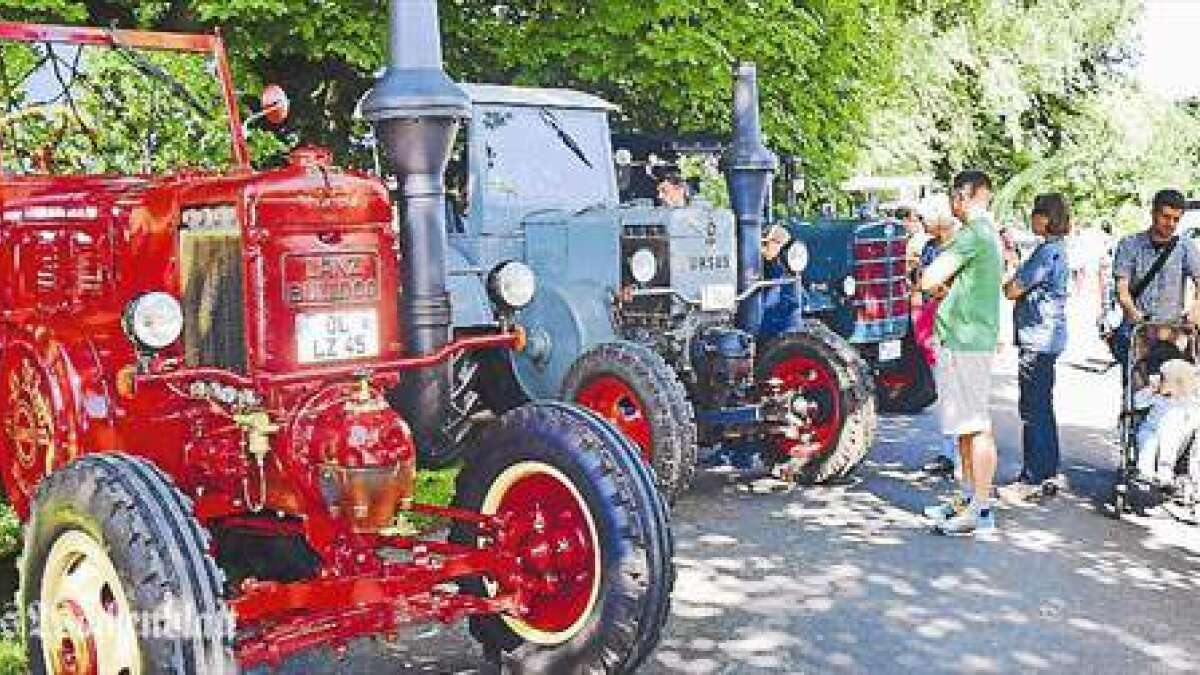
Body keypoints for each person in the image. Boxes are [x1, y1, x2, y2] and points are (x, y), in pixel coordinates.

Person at [919, 170, 1004, 536]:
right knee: (966, 426)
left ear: (962, 197)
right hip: (967, 339)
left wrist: (933, 284)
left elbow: (927, 278)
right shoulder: (988, 235)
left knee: (976, 425)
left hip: (966, 343)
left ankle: (981, 508)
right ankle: (969, 499)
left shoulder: (973, 235)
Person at [997, 193, 1071, 504]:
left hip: (1036, 338)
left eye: (1035, 214)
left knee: (1032, 409)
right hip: (1049, 338)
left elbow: (1013, 289)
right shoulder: (1058, 250)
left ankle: (1034, 476)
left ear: (1045, 218)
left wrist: (1011, 277)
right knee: (1044, 406)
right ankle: (1049, 470)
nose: (1031, 219)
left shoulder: (1046, 253)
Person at [1110, 189, 1200, 372]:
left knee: (1171, 390)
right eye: (1166, 217)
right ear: (1153, 213)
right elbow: (1122, 290)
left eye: (1176, 219)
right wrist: (1136, 316)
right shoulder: (1129, 245)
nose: (1171, 224)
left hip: (1172, 334)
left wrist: (1195, 310)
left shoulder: (1185, 247)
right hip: (1138, 333)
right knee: (1135, 390)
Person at [915, 208, 962, 476]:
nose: (923, 223)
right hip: (935, 317)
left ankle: (960, 455)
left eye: (927, 218)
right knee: (944, 388)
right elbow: (924, 282)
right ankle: (949, 451)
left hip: (956, 321)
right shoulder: (930, 248)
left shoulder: (960, 246)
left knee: (959, 390)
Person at [1133, 358, 1200, 488]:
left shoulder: (1189, 403)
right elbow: (1138, 403)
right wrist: (1151, 390)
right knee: (1148, 442)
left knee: (1171, 436)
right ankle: (1145, 471)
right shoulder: (1158, 397)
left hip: (1176, 436)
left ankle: (1165, 473)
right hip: (1151, 430)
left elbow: (1193, 421)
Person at [760, 224, 802, 340]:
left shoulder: (782, 269)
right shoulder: (772, 267)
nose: (762, 249)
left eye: (765, 244)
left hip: (781, 333)